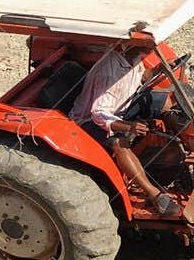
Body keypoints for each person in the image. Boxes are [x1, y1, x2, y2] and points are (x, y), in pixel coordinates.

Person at [69, 41, 181, 217]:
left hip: (120, 107)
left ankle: (180, 143)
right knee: (119, 143)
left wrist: (160, 69)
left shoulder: (133, 58)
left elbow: (142, 77)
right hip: (89, 120)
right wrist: (129, 126)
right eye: (146, 45)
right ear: (128, 44)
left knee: (164, 101)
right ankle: (154, 194)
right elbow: (98, 113)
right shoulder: (108, 73)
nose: (151, 49)